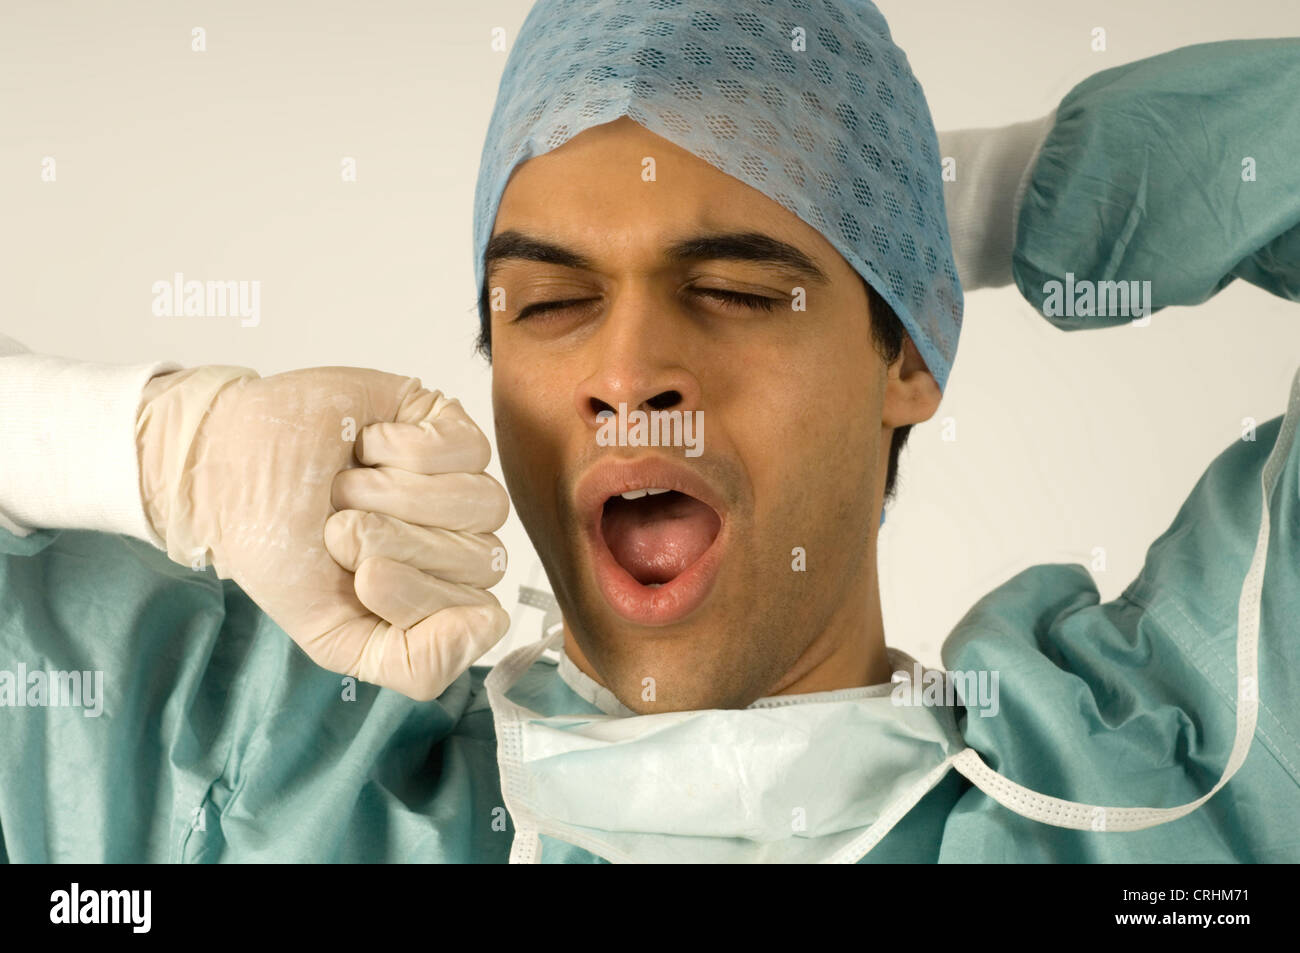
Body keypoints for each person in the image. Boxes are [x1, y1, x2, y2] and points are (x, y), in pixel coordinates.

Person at [1, 1, 1298, 863]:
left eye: (737, 289)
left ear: (904, 350)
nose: (629, 371)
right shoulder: (241, 788)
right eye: (551, 301)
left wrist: (974, 208)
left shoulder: (1192, 776)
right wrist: (164, 445)